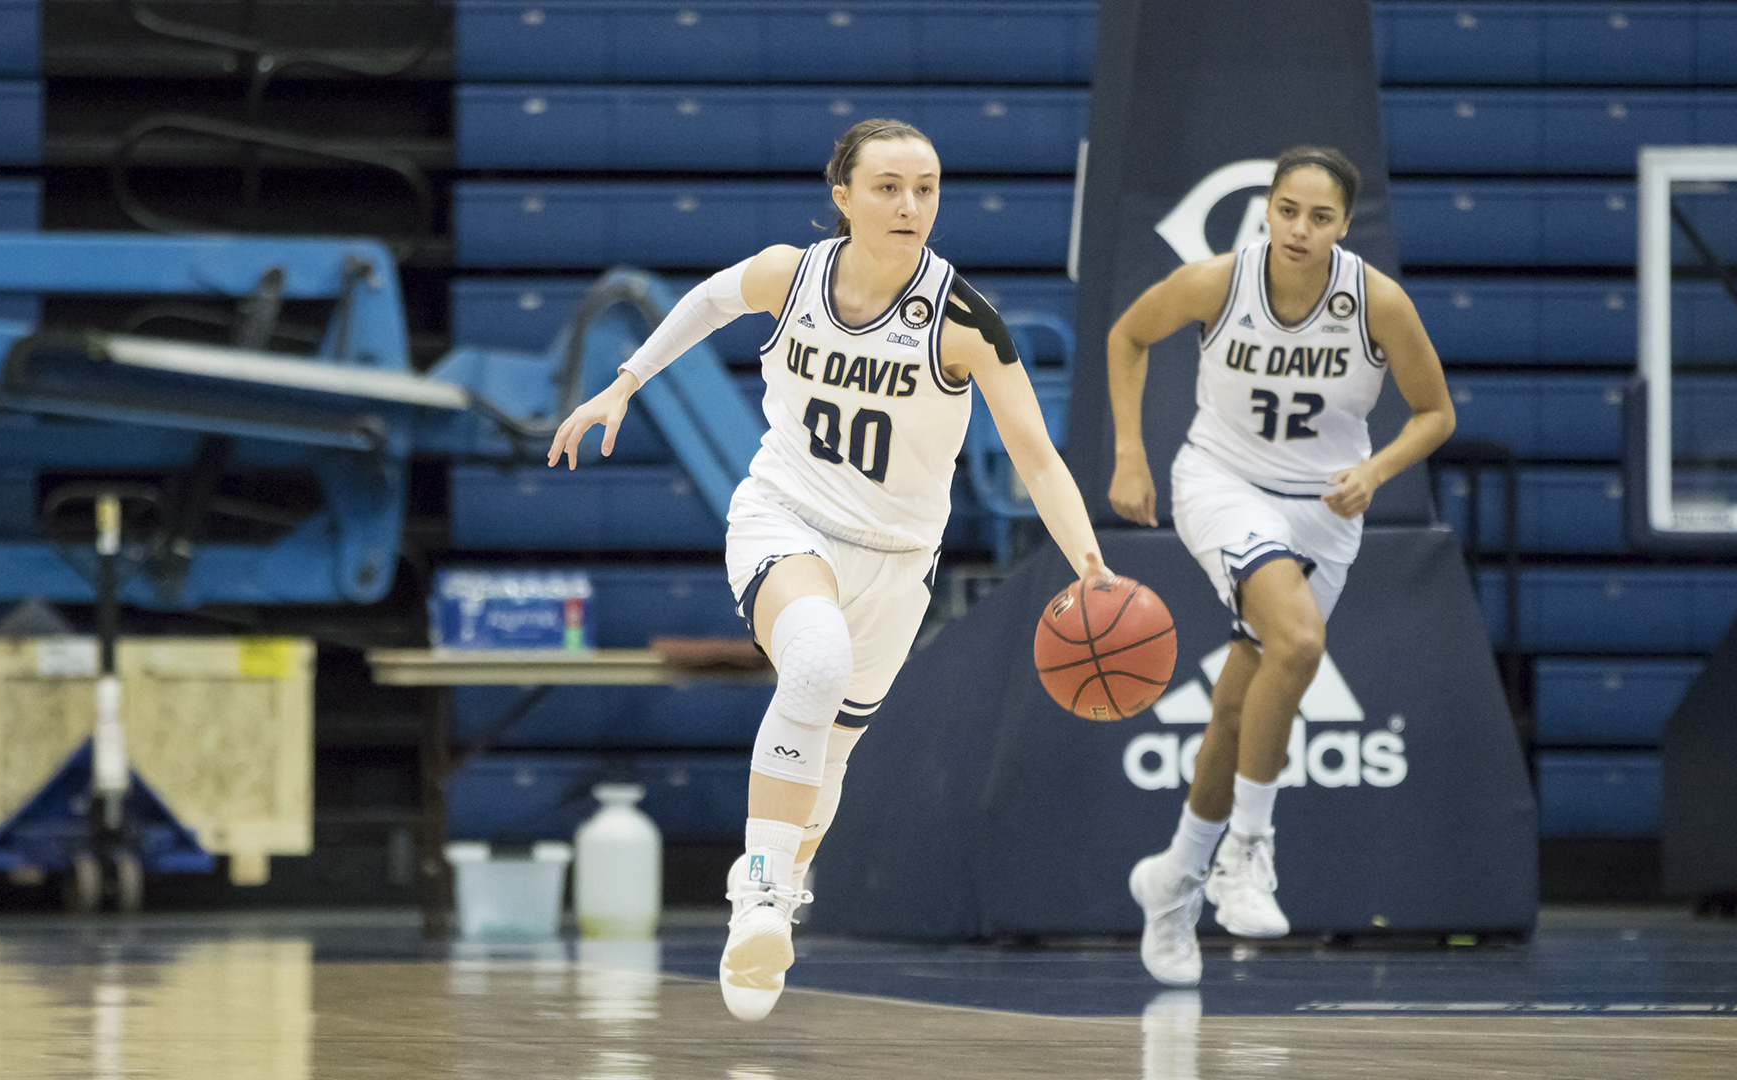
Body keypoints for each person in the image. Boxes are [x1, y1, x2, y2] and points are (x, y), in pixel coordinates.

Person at [550, 118, 1114, 1020]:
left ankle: (779, 881)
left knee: (835, 751)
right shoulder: (791, 273)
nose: (910, 205)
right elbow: (705, 301)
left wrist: (1089, 564)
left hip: (897, 563)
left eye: (926, 187)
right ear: (842, 195)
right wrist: (623, 384)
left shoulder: (965, 320)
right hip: (785, 517)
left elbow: (1039, 459)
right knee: (813, 662)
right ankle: (761, 894)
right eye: (888, 186)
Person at [1105, 146, 1455, 986]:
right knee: (1296, 645)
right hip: (1222, 483)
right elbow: (1127, 335)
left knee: (1236, 705)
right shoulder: (1218, 282)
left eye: (1321, 216)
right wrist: (1128, 453)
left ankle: (1176, 878)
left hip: (1326, 507)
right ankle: (1247, 856)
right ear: (1267, 207)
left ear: (1345, 224)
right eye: (1288, 209)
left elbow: (1435, 413)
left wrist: (1375, 471)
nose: (1301, 228)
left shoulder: (1376, 302)